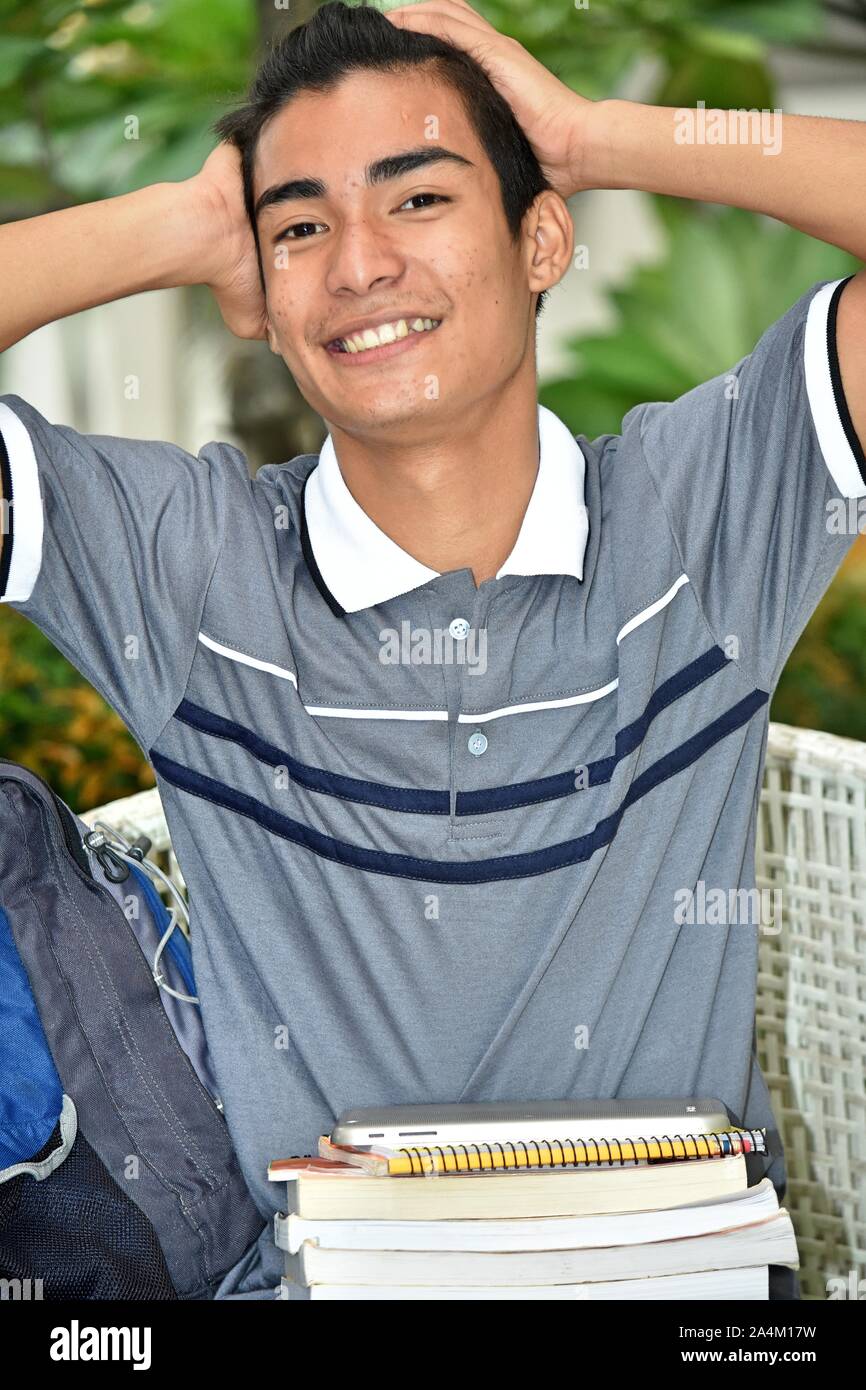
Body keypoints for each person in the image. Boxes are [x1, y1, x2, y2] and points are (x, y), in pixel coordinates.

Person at [1, 0, 863, 1301]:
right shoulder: (182, 559)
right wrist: (174, 224)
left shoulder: (706, 510)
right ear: (262, 297)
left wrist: (597, 135)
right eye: (298, 225)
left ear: (540, 239)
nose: (357, 265)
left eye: (415, 199)